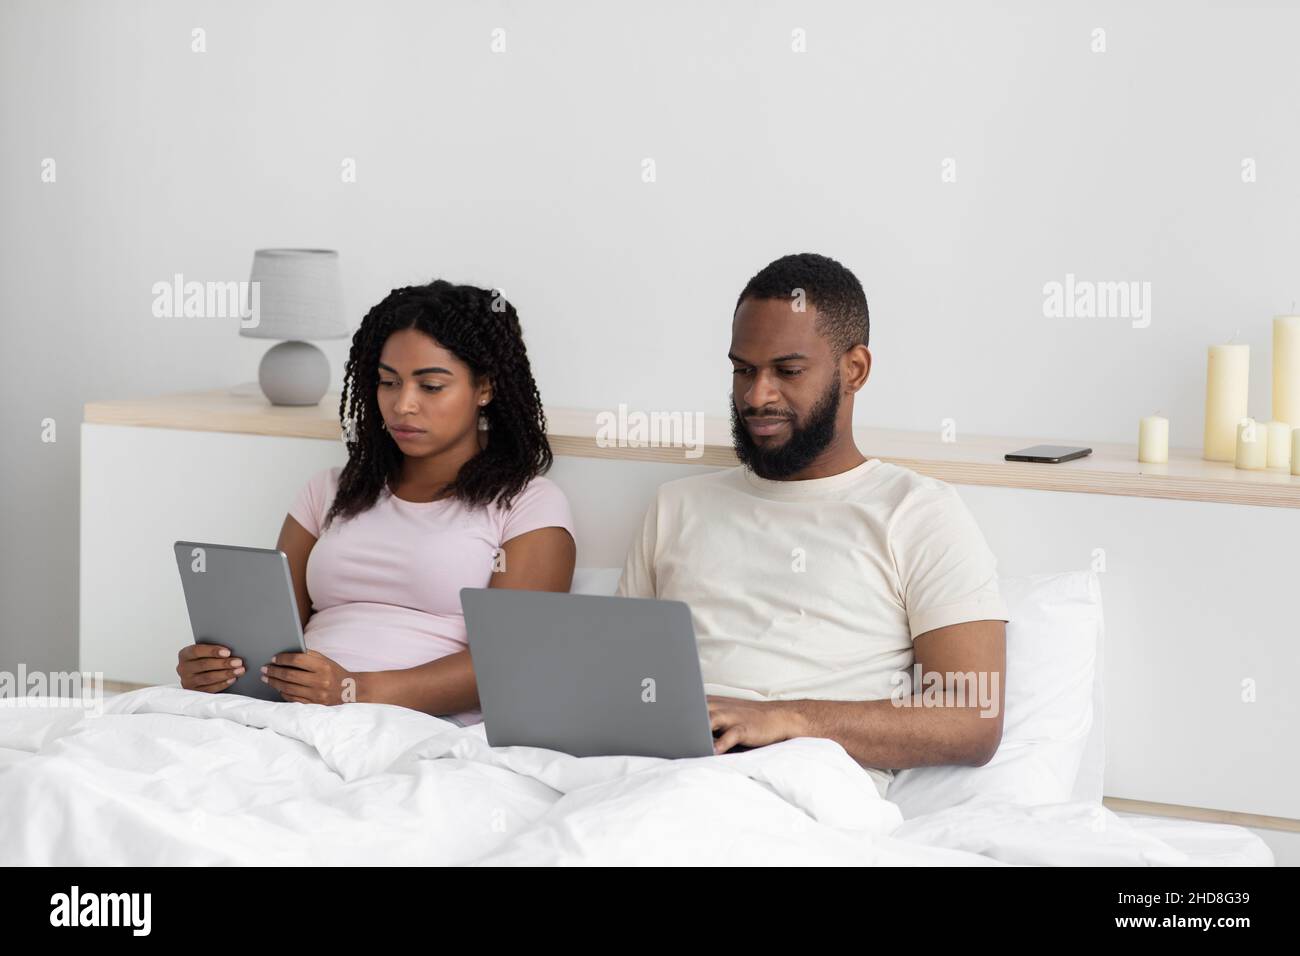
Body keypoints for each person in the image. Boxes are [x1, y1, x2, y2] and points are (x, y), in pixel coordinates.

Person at [616, 253, 1009, 796]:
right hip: (647, 774)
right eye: (743, 369)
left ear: (855, 370)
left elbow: (972, 719)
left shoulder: (917, 512)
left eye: (788, 371)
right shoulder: (675, 506)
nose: (757, 396)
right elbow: (618, 683)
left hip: (794, 787)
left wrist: (785, 719)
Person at [176, 280, 576, 723]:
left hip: (411, 726)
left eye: (431, 387)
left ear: (484, 388)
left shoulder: (527, 505)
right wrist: (218, 667)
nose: (403, 405)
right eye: (388, 382)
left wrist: (353, 689)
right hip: (287, 713)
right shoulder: (328, 490)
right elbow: (265, 635)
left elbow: (510, 661)